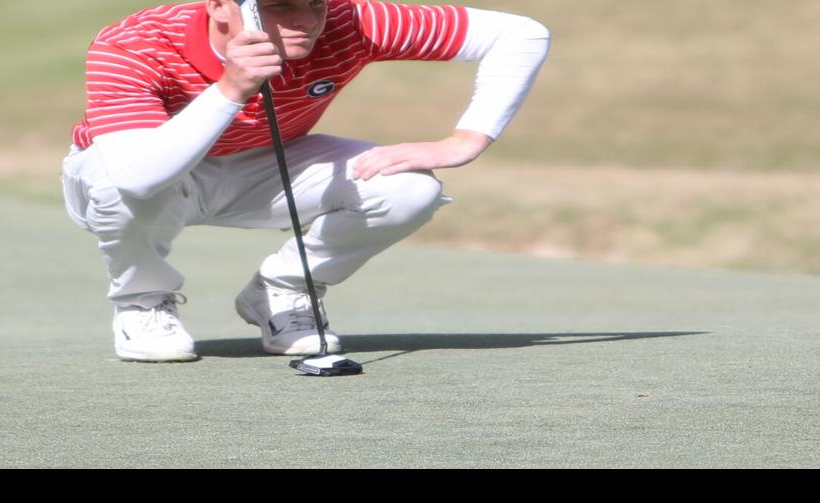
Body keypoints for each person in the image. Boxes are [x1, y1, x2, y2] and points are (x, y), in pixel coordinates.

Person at [61, 0, 550, 362]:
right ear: (220, 7)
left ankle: (283, 292)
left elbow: (520, 34)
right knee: (117, 180)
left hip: (266, 163)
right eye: (281, 7)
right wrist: (231, 87)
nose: (306, 21)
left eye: (315, 4)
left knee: (409, 188)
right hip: (148, 172)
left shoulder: (348, 19)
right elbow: (138, 175)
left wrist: (466, 140)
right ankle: (141, 304)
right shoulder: (132, 43)